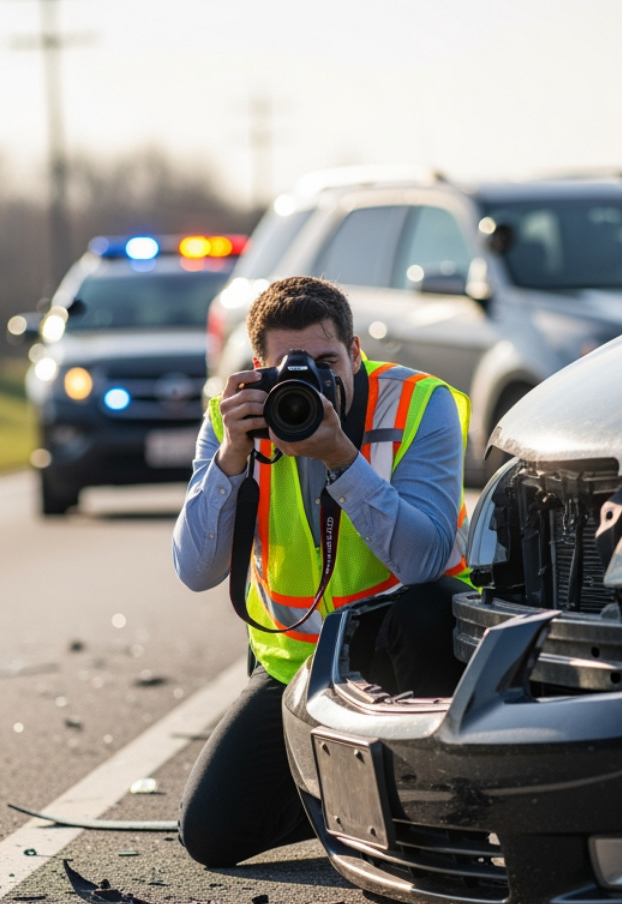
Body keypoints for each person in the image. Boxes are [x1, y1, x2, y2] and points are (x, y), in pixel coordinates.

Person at [171, 275, 474, 867]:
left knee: (427, 602)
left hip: (410, 649)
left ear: (356, 353)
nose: (313, 380)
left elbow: (424, 559)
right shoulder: (232, 421)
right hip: (298, 667)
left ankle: (438, 807)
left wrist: (342, 457)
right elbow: (195, 570)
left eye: (328, 360)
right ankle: (356, 804)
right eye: (289, 366)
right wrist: (232, 458)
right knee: (210, 834)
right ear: (259, 366)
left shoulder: (418, 405)